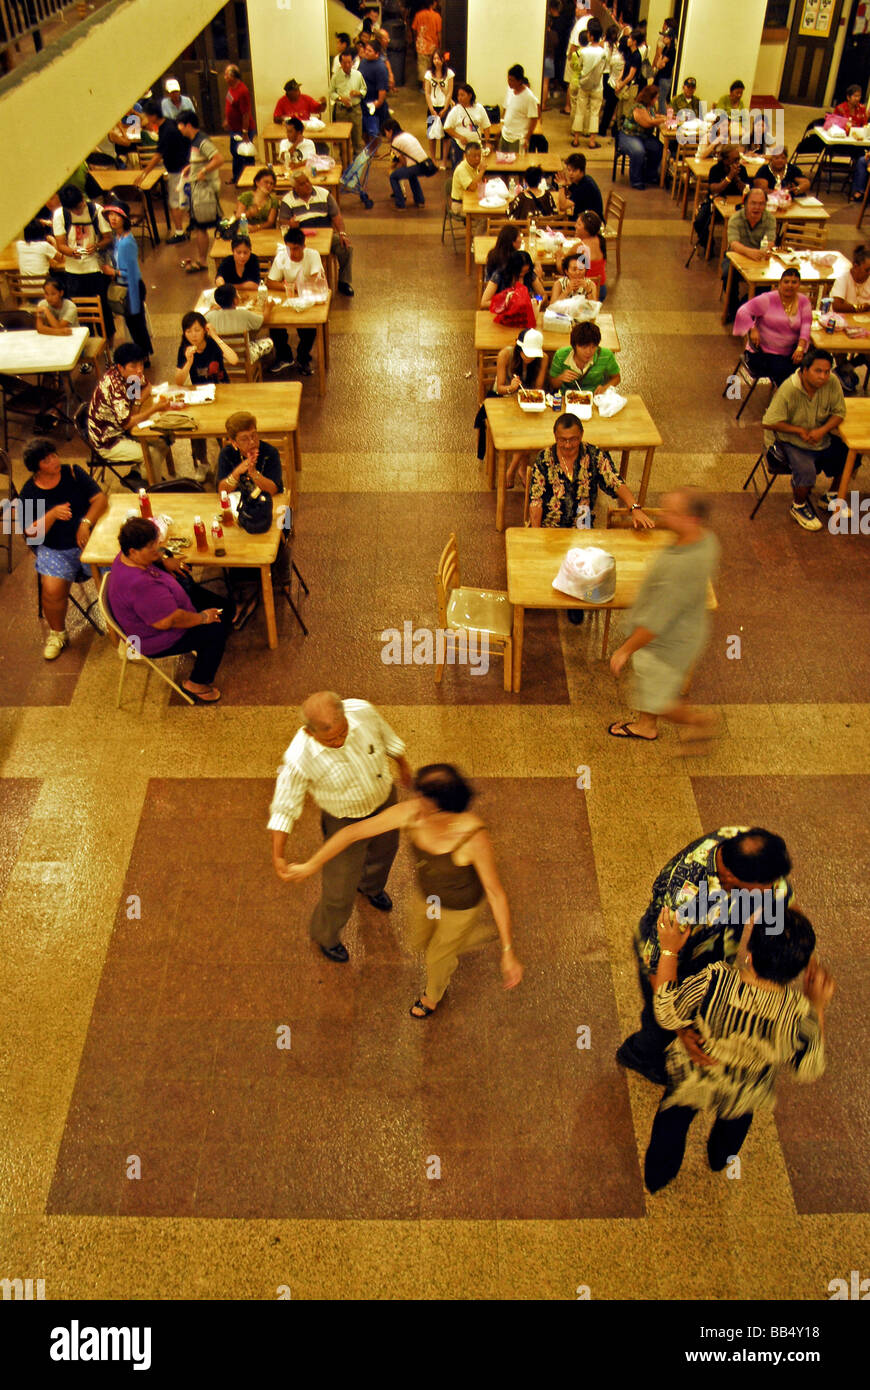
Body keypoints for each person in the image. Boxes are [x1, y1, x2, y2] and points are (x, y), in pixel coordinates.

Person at [283, 763, 523, 1016]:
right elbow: (353, 832)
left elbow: (495, 893)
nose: (415, 800)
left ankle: (432, 995)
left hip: (459, 909)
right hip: (427, 898)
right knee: (420, 939)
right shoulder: (412, 814)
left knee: (436, 957)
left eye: (423, 797)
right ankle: (463, 941)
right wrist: (312, 865)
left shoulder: (472, 835)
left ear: (441, 803)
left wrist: (508, 952)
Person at [643, 905, 831, 1193]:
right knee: (734, 1127)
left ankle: (658, 1177)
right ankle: (720, 1160)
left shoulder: (715, 981)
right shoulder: (798, 1014)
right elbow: (809, 1067)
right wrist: (816, 1006)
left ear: (750, 954)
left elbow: (667, 1012)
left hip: (694, 1076)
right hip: (747, 1091)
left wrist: (669, 951)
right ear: (798, 971)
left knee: (672, 1125)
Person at [617, 826, 794, 1085]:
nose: (771, 893)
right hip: (673, 954)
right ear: (732, 879)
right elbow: (657, 965)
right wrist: (680, 1029)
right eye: (764, 889)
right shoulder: (685, 894)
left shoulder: (745, 846)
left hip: (713, 942)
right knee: (660, 1026)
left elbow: (780, 897)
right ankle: (638, 1054)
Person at [268, 693, 413, 963]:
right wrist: (278, 855)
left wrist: (403, 765)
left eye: (343, 733)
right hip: (343, 818)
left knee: (385, 852)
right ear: (309, 733)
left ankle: (371, 887)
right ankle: (327, 935)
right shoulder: (300, 757)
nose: (340, 741)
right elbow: (284, 806)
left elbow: (387, 738)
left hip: (384, 802)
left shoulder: (362, 711)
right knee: (338, 888)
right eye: (331, 740)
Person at [608, 488, 720, 743]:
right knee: (652, 687)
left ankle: (700, 722)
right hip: (687, 627)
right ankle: (646, 723)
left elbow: (657, 622)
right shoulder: (705, 539)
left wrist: (624, 650)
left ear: (691, 519)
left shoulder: (680, 568)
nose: (665, 516)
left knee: (659, 699)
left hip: (668, 643)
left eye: (673, 512)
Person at [528, 411, 651, 608]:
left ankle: (578, 599)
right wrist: (535, 533)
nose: (568, 445)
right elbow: (536, 499)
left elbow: (614, 480)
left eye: (573, 439)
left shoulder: (595, 455)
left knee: (588, 568)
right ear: (555, 437)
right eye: (563, 440)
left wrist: (634, 507)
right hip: (549, 525)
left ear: (582, 435)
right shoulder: (544, 458)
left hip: (582, 525)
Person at [107, 516, 231, 704]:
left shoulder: (126, 556)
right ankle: (196, 683)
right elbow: (169, 621)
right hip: (158, 637)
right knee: (216, 630)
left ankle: (211, 645)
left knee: (226, 608)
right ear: (133, 551)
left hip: (173, 603)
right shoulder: (140, 585)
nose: (157, 549)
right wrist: (203, 617)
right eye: (152, 547)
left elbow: (158, 555)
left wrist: (163, 561)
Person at [19, 438, 107, 660]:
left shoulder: (73, 473)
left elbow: (99, 499)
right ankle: (58, 634)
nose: (54, 461)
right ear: (36, 467)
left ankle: (124, 625)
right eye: (47, 460)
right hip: (54, 548)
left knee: (114, 574)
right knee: (51, 589)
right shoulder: (30, 492)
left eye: (54, 455)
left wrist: (85, 524)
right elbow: (30, 533)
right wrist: (51, 515)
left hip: (89, 540)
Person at [762, 349, 848, 530]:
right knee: (806, 469)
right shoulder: (789, 389)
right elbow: (769, 422)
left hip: (820, 437)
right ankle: (798, 505)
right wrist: (799, 431)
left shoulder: (832, 382)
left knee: (847, 455)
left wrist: (822, 430)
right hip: (790, 440)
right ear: (804, 370)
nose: (823, 376)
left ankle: (831, 495)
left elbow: (839, 412)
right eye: (818, 371)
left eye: (827, 371)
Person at [216, 411, 285, 629]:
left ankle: (266, 578)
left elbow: (274, 489)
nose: (252, 442)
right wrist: (237, 472)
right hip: (241, 513)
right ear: (233, 442)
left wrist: (254, 473)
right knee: (231, 538)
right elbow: (221, 490)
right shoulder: (227, 455)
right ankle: (241, 582)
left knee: (279, 529)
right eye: (245, 438)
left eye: (254, 435)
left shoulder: (268, 453)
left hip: (272, 509)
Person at [86, 343, 168, 484]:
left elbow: (147, 386)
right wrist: (154, 409)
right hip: (108, 440)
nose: (139, 370)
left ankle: (139, 475)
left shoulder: (132, 375)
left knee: (165, 438)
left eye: (141, 364)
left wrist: (136, 403)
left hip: (122, 427)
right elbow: (127, 423)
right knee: (151, 453)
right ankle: (155, 488)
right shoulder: (114, 386)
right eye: (134, 366)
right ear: (120, 367)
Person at [175, 312, 238, 477]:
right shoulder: (185, 350)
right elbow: (179, 381)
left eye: (197, 330)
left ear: (205, 329)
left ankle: (228, 460)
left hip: (222, 390)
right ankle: (202, 463)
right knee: (195, 427)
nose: (193, 335)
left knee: (223, 427)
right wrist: (188, 361)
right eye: (188, 331)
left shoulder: (212, 344)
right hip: (200, 395)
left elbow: (234, 360)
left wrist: (215, 336)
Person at [52, 185, 113, 346]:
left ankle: (110, 347)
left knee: (104, 311)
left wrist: (97, 246)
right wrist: (72, 252)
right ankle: (88, 346)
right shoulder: (60, 215)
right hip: (73, 271)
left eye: (79, 207)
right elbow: (60, 244)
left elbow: (108, 237)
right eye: (74, 210)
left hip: (95, 268)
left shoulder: (96, 210)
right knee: (81, 312)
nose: (78, 212)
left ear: (83, 200)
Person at [278, 169, 354, 296]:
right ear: (295, 188)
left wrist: (342, 233)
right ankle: (303, 283)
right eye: (302, 184)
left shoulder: (323, 194)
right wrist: (290, 224)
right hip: (302, 237)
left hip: (326, 234)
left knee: (346, 248)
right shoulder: (288, 200)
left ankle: (343, 281)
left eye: (307, 181)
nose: (307, 185)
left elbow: (337, 216)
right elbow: (282, 222)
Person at [732, 268, 812, 387]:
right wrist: (752, 328)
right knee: (787, 373)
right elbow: (743, 311)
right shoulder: (767, 299)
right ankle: (784, 400)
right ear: (780, 283)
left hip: (791, 352)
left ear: (799, 284)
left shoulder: (803, 301)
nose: (790, 285)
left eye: (794, 282)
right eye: (786, 282)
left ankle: (795, 397)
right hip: (763, 353)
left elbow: (806, 324)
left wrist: (800, 348)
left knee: (811, 365)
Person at [490, 327, 549, 485]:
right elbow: (500, 388)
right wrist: (513, 387)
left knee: (531, 427)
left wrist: (527, 396)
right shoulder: (506, 355)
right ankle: (518, 469)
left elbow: (538, 388)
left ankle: (515, 469)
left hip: (527, 401)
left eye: (533, 354)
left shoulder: (542, 358)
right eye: (527, 353)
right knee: (527, 429)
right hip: (504, 399)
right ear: (519, 348)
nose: (529, 358)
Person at [265, 226, 326, 375]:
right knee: (274, 323)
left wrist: (294, 287)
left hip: (310, 300)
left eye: (296, 249)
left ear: (304, 246)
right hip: (289, 298)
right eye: (289, 249)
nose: (292, 253)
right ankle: (284, 356)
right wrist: (290, 287)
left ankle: (303, 357)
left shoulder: (313, 255)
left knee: (309, 329)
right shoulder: (282, 257)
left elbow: (315, 281)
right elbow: (271, 282)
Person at [102, 204, 152, 362]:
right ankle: (143, 354)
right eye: (110, 215)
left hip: (133, 287)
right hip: (127, 287)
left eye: (116, 215)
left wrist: (112, 272)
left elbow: (131, 272)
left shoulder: (126, 242)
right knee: (133, 324)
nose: (113, 218)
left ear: (124, 218)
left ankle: (144, 356)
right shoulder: (118, 238)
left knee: (137, 325)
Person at [136, 101, 191, 244]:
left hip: (177, 170)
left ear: (153, 116)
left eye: (147, 116)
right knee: (185, 199)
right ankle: (192, 226)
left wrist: (144, 173)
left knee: (174, 203)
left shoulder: (167, 131)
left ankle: (179, 233)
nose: (146, 119)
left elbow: (158, 154)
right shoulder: (170, 124)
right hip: (184, 167)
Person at [176, 108, 223, 274]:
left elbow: (218, 159)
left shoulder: (201, 141)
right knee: (199, 226)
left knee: (201, 226)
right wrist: (193, 167)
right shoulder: (195, 141)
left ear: (188, 125)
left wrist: (203, 171)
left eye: (180, 125)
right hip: (198, 190)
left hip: (205, 191)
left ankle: (203, 261)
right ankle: (203, 259)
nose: (179, 128)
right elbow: (202, 160)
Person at [722, 186, 775, 321]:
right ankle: (733, 310)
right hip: (737, 255)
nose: (757, 207)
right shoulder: (735, 218)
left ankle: (745, 306)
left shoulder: (770, 219)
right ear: (745, 203)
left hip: (759, 258)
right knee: (727, 273)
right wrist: (749, 252)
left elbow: (770, 242)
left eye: (761, 204)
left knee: (768, 280)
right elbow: (733, 243)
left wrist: (765, 251)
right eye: (753, 203)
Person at [206, 283, 274, 370]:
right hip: (245, 358)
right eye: (237, 295)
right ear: (235, 301)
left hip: (221, 359)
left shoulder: (211, 316)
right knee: (269, 342)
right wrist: (268, 307)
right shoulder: (244, 314)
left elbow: (202, 320)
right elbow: (263, 321)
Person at [549, 321, 619, 398]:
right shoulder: (561, 355)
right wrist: (561, 378)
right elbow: (553, 384)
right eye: (584, 347)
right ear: (574, 345)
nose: (589, 352)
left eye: (593, 347)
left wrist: (605, 387)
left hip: (596, 397)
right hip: (567, 397)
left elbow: (616, 378)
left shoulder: (606, 355)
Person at [383, 117, 436, 209]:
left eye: (385, 133)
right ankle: (420, 201)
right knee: (411, 175)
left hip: (416, 166)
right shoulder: (407, 135)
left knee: (393, 176)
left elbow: (403, 162)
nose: (386, 136)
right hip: (426, 164)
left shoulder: (395, 142)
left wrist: (395, 168)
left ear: (390, 131)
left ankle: (400, 204)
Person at [619, 83, 665, 190]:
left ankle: (650, 175)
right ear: (650, 97)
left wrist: (663, 116)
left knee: (659, 148)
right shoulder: (638, 108)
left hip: (643, 136)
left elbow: (653, 116)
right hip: (629, 136)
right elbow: (647, 122)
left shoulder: (650, 108)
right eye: (656, 98)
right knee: (638, 151)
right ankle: (636, 180)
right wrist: (663, 120)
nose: (657, 100)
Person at [573, 17, 606, 149]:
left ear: (591, 36)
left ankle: (576, 139)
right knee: (594, 112)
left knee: (580, 111)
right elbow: (604, 69)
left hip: (584, 85)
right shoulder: (603, 53)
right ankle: (592, 141)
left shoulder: (584, 52)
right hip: (598, 86)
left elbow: (580, 66)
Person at [481, 249, 544, 315]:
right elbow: (484, 302)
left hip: (526, 314)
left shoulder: (529, 275)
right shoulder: (499, 275)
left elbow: (543, 295)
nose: (523, 275)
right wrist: (506, 303)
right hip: (502, 314)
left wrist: (536, 303)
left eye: (526, 272)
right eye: (520, 273)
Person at [329, 50, 367, 157]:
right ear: (340, 63)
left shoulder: (358, 75)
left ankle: (358, 166)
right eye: (345, 63)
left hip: (355, 110)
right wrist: (340, 98)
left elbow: (364, 90)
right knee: (343, 141)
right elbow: (331, 93)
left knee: (357, 141)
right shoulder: (336, 77)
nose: (347, 65)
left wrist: (358, 93)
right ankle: (344, 166)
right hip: (341, 111)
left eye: (349, 62)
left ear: (352, 63)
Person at [443, 82, 491, 167]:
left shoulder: (479, 108)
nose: (459, 98)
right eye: (458, 95)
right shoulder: (456, 110)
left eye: (462, 95)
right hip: (459, 146)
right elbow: (447, 127)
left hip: (475, 146)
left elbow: (486, 126)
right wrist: (459, 137)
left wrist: (487, 142)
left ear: (470, 95)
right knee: (459, 169)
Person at [223, 63, 255, 184]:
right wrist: (227, 119)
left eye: (227, 74)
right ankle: (236, 178)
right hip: (234, 128)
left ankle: (250, 179)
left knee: (245, 154)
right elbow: (230, 106)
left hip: (243, 129)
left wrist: (245, 132)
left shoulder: (243, 91)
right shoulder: (231, 88)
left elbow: (246, 114)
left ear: (234, 76)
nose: (224, 77)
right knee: (235, 153)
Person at [423, 50, 454, 165]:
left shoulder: (449, 73)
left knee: (446, 135)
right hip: (433, 107)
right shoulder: (429, 74)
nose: (436, 61)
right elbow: (427, 93)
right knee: (432, 135)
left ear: (443, 60)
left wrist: (445, 108)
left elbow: (450, 92)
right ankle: (433, 159)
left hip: (444, 106)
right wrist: (431, 109)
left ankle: (444, 160)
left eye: (438, 58)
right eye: (434, 59)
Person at [500, 65, 540, 153]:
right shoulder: (510, 90)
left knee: (516, 165)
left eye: (512, 80)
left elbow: (534, 119)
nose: (509, 82)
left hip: (518, 138)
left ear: (520, 81)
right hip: (505, 135)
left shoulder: (529, 97)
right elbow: (506, 108)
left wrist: (527, 138)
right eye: (508, 79)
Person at [611, 28, 644, 131]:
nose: (628, 40)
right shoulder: (629, 52)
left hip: (630, 87)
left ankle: (625, 133)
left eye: (630, 38)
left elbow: (631, 75)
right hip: (624, 84)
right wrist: (618, 80)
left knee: (626, 112)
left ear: (634, 42)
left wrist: (621, 85)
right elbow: (625, 67)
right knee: (619, 111)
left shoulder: (637, 56)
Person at [358, 39, 390, 145]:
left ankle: (374, 152)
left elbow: (382, 89)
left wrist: (377, 104)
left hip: (374, 103)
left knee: (374, 131)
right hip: (362, 101)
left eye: (370, 51)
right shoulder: (362, 62)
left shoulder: (381, 67)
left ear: (377, 54)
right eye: (366, 50)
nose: (366, 52)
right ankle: (368, 149)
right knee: (364, 132)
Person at [554, 151, 603, 219]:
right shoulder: (580, 180)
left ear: (582, 171)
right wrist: (565, 185)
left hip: (590, 224)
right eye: (569, 170)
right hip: (582, 218)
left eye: (574, 171)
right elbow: (569, 193)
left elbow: (562, 206)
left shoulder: (585, 186)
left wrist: (561, 186)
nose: (570, 174)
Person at [482, 223, 522, 298]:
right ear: (512, 242)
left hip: (491, 294)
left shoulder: (492, 254)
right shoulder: (512, 261)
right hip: (503, 298)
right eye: (519, 236)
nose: (521, 239)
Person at [572, 209, 607, 295]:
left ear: (588, 229)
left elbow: (566, 270)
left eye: (579, 224)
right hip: (601, 288)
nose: (575, 226)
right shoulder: (600, 240)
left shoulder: (580, 247)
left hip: (586, 291)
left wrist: (558, 258)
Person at [598, 23, 624, 138]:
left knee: (600, 102)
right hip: (613, 76)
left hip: (603, 74)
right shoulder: (619, 46)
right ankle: (605, 127)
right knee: (610, 104)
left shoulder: (602, 44)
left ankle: (597, 126)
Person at [831, 243, 870, 311]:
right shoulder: (843, 279)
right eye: (867, 270)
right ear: (856, 266)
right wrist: (860, 307)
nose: (869, 273)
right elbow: (836, 306)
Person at [411, 2, 442, 88]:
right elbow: (439, 33)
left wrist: (416, 39)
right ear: (434, 3)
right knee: (433, 67)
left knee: (422, 67)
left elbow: (414, 29)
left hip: (421, 45)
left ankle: (425, 87)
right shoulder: (437, 16)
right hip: (433, 46)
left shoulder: (418, 15)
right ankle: (433, 86)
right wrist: (440, 44)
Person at [450, 140, 483, 212]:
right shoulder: (462, 169)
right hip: (459, 204)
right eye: (474, 156)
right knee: (483, 216)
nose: (477, 159)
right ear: (465, 156)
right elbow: (472, 187)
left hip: (472, 199)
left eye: (479, 156)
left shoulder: (474, 166)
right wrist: (482, 171)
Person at [652, 27, 675, 115]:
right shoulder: (666, 48)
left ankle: (663, 119)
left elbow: (661, 63)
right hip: (660, 76)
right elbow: (659, 63)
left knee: (661, 100)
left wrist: (660, 63)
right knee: (658, 98)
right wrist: (659, 63)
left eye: (665, 37)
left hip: (665, 77)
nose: (663, 38)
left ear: (671, 38)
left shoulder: (672, 50)